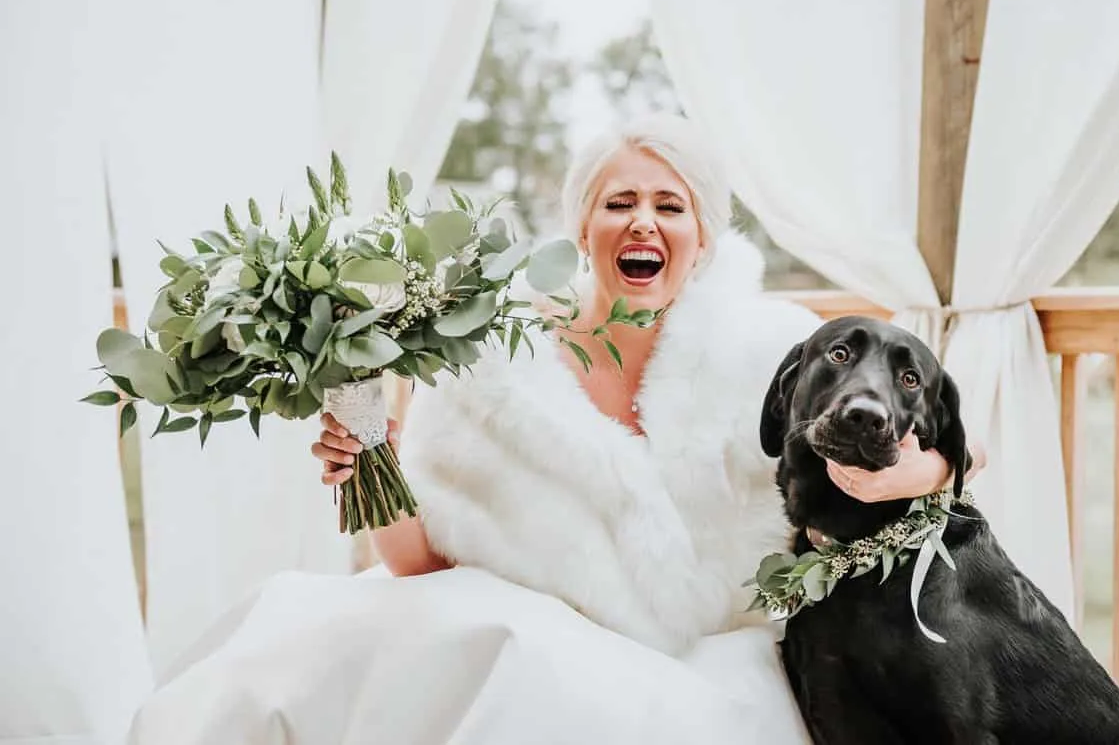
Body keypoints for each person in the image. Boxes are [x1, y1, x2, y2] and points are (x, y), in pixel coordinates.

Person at [128, 114, 982, 744]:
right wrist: (368, 461)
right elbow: (417, 562)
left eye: (668, 206)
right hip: (527, 635)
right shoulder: (488, 361)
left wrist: (912, 476)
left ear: (703, 237)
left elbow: (948, 438)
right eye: (619, 202)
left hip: (713, 657)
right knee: (357, 659)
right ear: (582, 227)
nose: (643, 222)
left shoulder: (777, 349)